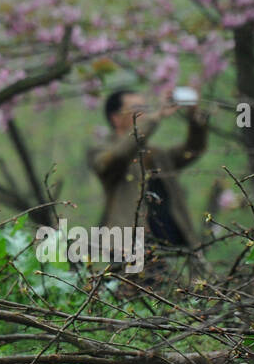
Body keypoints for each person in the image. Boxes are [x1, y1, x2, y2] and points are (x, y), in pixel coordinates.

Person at [86, 87, 209, 269]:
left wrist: (195, 119)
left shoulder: (155, 155)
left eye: (145, 107)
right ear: (116, 118)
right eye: (136, 108)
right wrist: (155, 118)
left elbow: (191, 151)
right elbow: (119, 156)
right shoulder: (102, 152)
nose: (144, 112)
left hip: (165, 246)